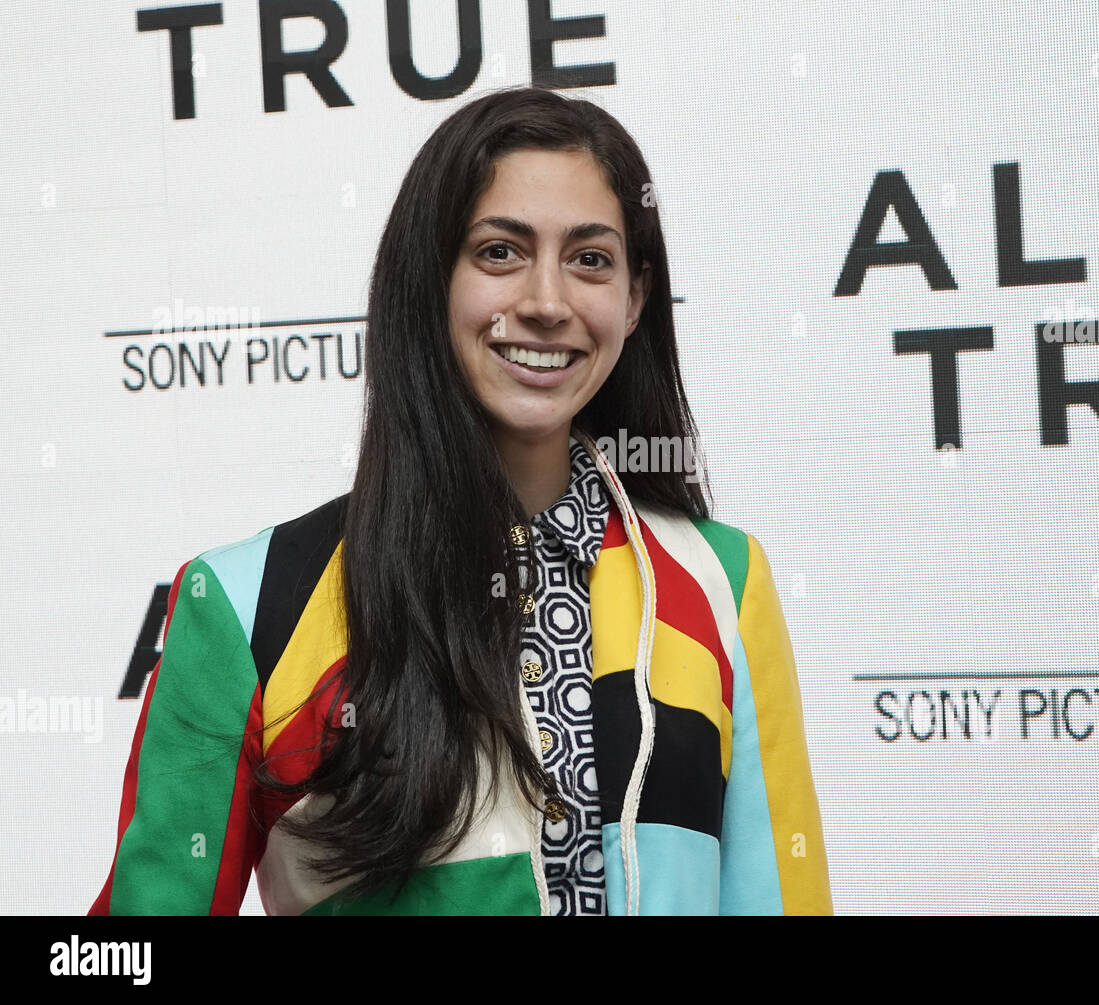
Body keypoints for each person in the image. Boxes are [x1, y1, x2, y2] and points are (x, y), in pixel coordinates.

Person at [89, 85, 833, 916]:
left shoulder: (723, 583)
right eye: (500, 252)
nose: (548, 302)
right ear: (428, 280)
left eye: (590, 258)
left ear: (633, 300)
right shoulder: (244, 603)